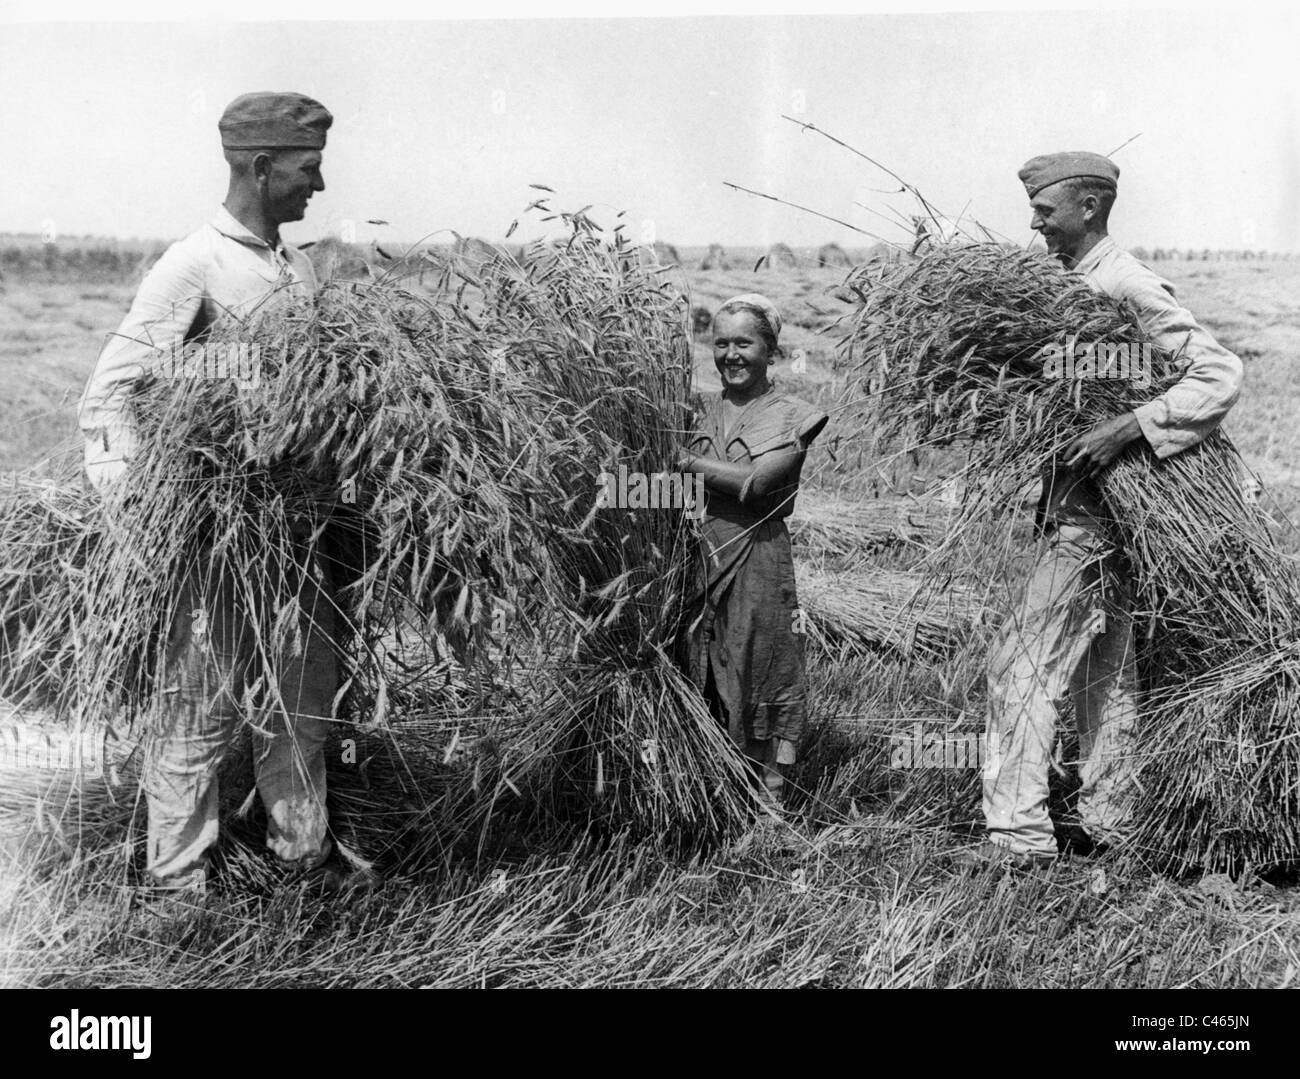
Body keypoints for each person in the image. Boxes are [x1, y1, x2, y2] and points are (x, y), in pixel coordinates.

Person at [78, 91, 340, 894]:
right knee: (198, 710)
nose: (319, 186)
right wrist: (143, 514)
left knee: (301, 707)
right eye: (308, 168)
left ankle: (302, 862)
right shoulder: (192, 263)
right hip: (218, 540)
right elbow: (108, 398)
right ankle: (178, 888)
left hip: (297, 534)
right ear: (261, 168)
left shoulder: (294, 267)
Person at [966, 152, 1243, 869]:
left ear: (1089, 206)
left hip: (1097, 523)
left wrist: (1128, 428)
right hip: (1100, 517)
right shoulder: (1074, 285)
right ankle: (1111, 820)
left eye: (1044, 210)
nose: (1034, 223)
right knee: (1104, 678)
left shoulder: (1121, 281)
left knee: (1019, 664)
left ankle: (1018, 835)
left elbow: (1218, 371)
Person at [679, 294, 828, 804]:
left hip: (757, 557)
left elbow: (757, 484)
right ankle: (715, 788)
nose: (731, 354)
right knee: (699, 664)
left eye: (744, 342)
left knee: (761, 667)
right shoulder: (695, 410)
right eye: (721, 343)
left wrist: (681, 463)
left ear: (771, 350)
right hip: (697, 555)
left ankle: (770, 803)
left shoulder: (795, 415)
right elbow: (666, 490)